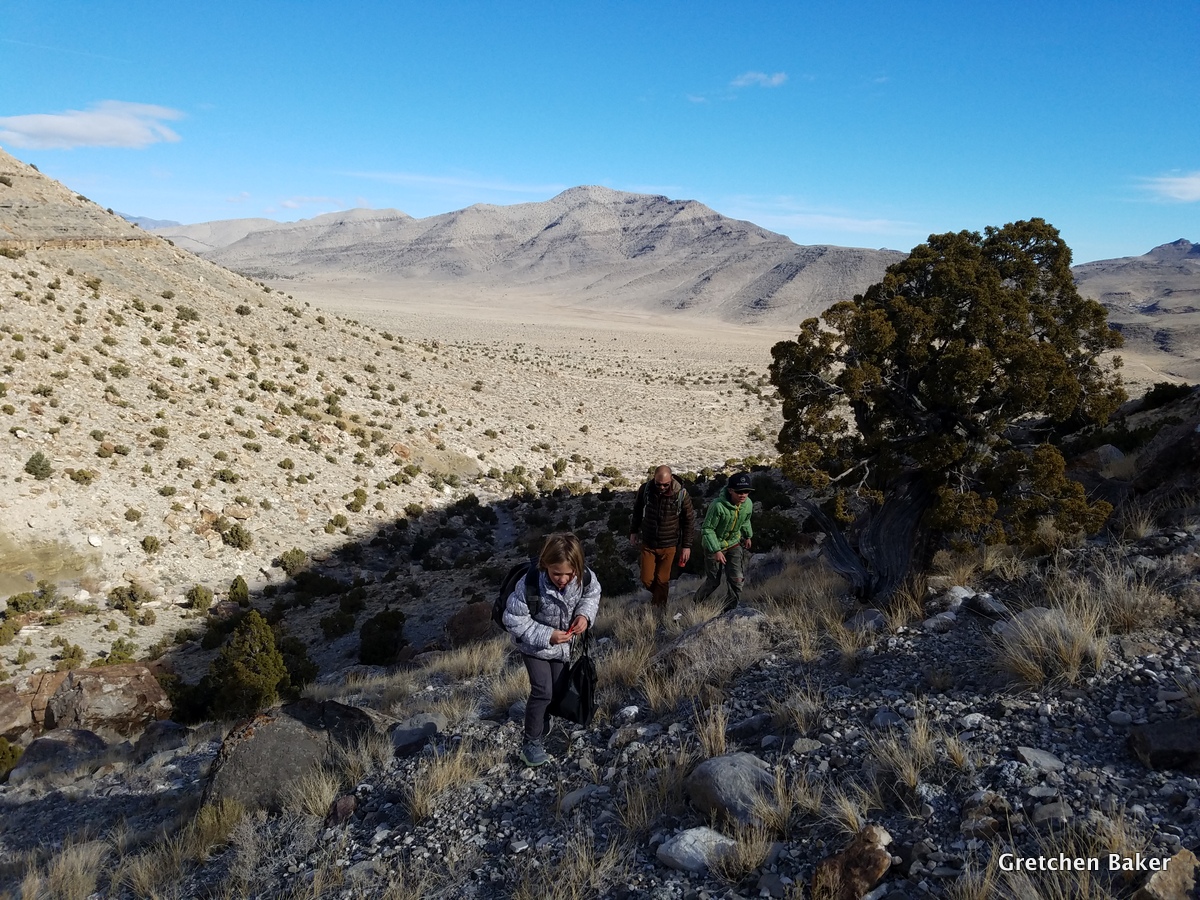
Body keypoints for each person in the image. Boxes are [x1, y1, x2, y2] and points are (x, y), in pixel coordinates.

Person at [502, 532, 601, 768]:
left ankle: (542, 716)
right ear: (545, 565)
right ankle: (530, 744)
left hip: (562, 646)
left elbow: (592, 593)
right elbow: (513, 620)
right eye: (557, 573)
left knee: (558, 690)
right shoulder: (530, 584)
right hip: (533, 647)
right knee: (542, 691)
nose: (563, 579)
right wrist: (548, 635)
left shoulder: (583, 577)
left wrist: (583, 616)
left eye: (569, 573)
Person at [629, 465, 695, 614]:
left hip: (669, 544)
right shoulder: (646, 489)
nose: (662, 487)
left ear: (671, 479)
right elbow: (638, 510)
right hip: (648, 542)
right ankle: (658, 599)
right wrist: (633, 531)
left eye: (666, 484)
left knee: (662, 580)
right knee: (646, 579)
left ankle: (659, 610)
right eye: (659, 484)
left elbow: (689, 521)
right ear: (654, 479)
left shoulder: (681, 494)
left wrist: (687, 546)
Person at [693, 472, 754, 612]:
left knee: (737, 579)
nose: (743, 495)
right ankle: (698, 602)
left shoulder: (748, 504)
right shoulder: (717, 506)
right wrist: (716, 550)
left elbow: (745, 520)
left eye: (746, 491)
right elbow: (707, 529)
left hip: (734, 543)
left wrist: (748, 536)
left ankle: (729, 610)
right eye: (739, 491)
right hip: (714, 546)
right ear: (730, 490)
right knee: (713, 581)